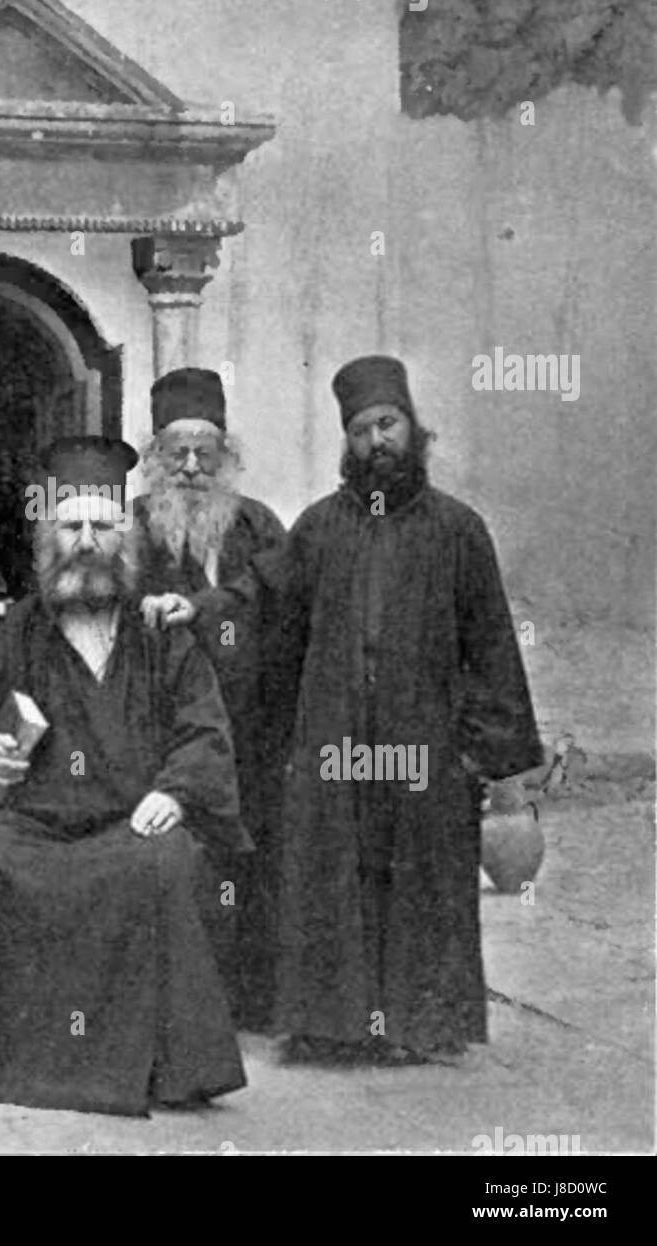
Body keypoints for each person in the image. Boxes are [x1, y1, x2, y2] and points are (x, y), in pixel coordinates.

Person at [209, 355, 543, 1063]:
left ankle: (420, 1026)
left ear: (413, 428)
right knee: (333, 876)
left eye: (388, 424)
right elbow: (260, 604)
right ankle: (335, 1027)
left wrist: (492, 765)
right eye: (361, 431)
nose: (377, 442)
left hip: (423, 746)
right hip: (335, 744)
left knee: (420, 879)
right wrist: (198, 611)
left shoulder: (459, 529)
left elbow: (491, 646)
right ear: (347, 444)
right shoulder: (320, 528)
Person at [0, 436, 250, 1115]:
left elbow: (203, 728)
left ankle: (170, 1070)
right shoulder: (7, 631)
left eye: (102, 526)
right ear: (47, 538)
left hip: (127, 827)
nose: (86, 541)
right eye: (72, 525)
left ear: (126, 541)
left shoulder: (161, 635)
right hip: (26, 827)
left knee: (167, 864)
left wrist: (175, 793)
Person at [132, 367, 289, 1027]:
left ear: (227, 459)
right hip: (162, 731)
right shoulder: (132, 527)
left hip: (252, 726)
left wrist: (202, 607)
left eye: (206, 454)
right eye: (178, 454)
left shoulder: (259, 526)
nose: (192, 468)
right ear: (155, 460)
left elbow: (281, 604)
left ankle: (250, 1003)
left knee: (252, 859)